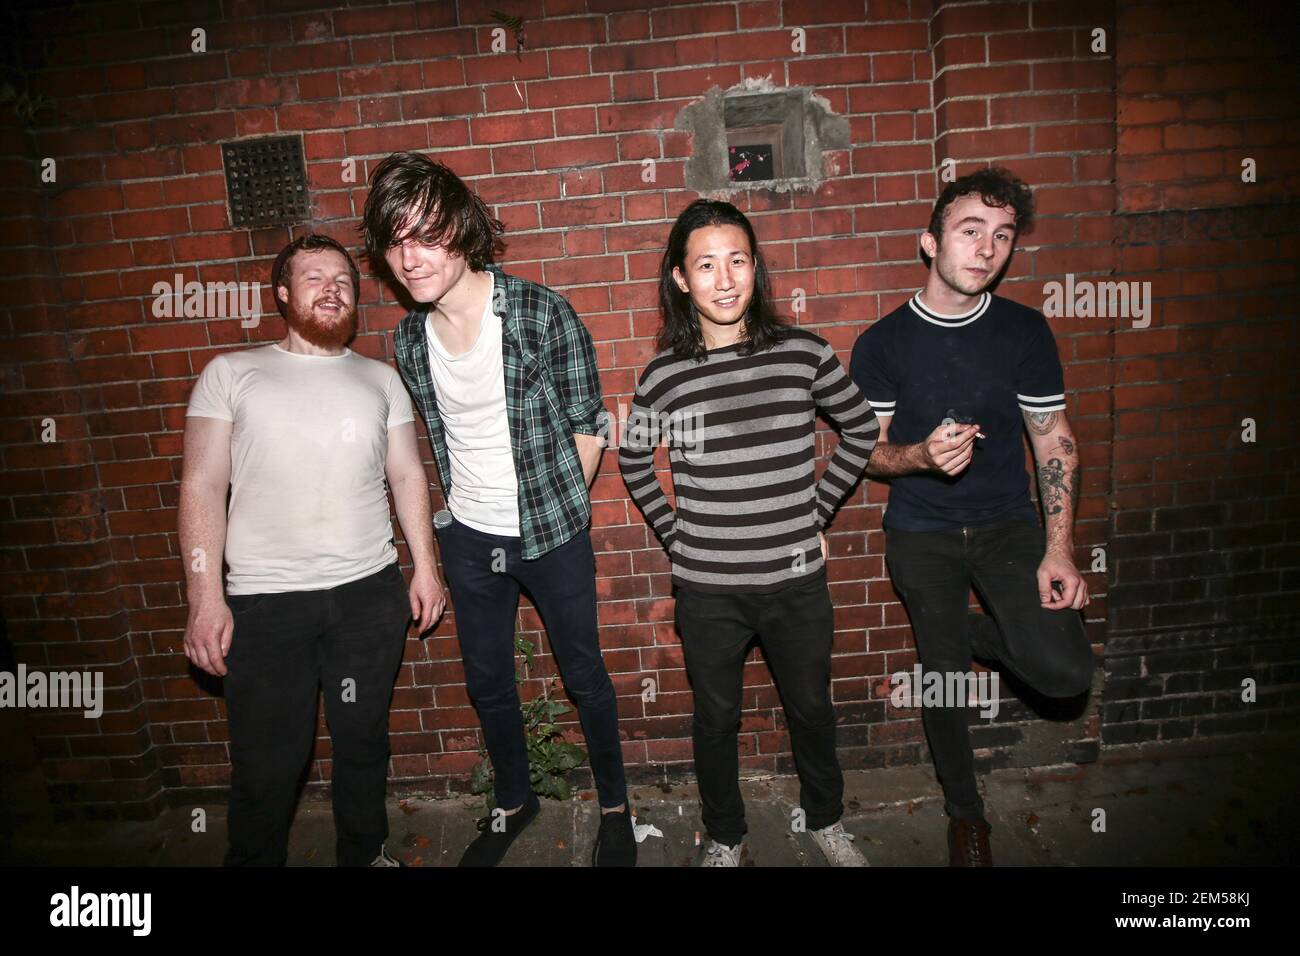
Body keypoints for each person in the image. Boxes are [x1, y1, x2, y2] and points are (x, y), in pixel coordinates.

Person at [361, 152, 635, 867]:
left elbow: (589, 423)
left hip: (550, 533)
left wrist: (556, 515)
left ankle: (615, 807)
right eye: (394, 241)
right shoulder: (407, 340)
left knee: (584, 676)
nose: (409, 257)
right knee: (486, 680)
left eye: (424, 234)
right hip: (469, 537)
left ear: (461, 226)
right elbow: (442, 438)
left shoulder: (540, 312)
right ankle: (515, 800)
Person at [619, 199, 879, 867]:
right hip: (708, 590)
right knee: (716, 723)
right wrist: (679, 541)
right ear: (681, 278)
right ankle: (727, 836)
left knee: (812, 713)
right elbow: (631, 459)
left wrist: (814, 514)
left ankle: (824, 819)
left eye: (737, 260)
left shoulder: (803, 353)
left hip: (796, 582)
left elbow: (862, 430)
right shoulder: (664, 374)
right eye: (706, 264)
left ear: (756, 268)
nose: (725, 278)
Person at [849, 166, 1095, 866]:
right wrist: (921, 456)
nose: (986, 248)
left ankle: (972, 634)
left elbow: (1053, 438)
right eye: (969, 231)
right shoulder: (883, 343)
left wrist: (1059, 549)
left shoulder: (1022, 331)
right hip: (920, 531)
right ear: (930, 242)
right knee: (944, 680)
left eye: (1002, 235)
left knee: (1065, 672)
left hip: (1006, 525)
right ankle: (967, 816)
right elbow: (866, 454)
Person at [180, 233, 443, 867]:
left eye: (344, 282)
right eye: (314, 278)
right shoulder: (232, 373)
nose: (332, 289)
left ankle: (364, 852)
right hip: (266, 605)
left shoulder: (381, 379)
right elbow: (201, 483)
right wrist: (204, 598)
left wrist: (425, 569)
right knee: (270, 760)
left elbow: (408, 475)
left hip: (368, 597)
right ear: (282, 295)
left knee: (362, 742)